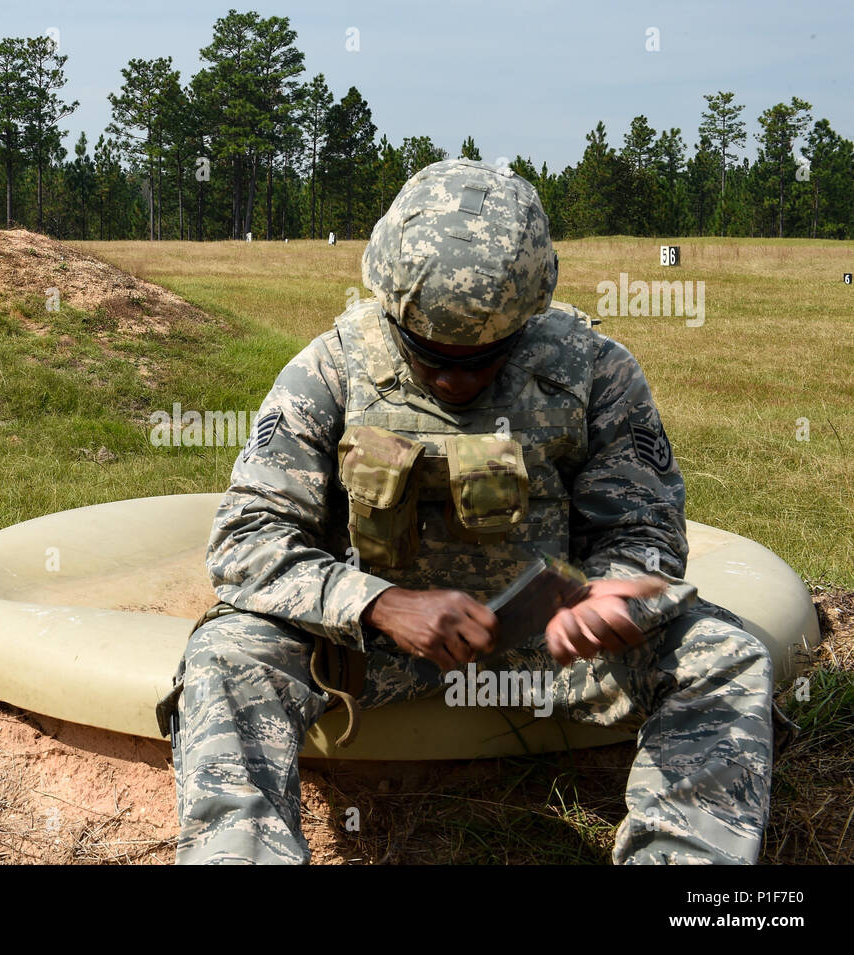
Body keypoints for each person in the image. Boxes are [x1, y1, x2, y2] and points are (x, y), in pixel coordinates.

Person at [162, 158, 778, 865]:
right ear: (393, 311)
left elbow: (643, 527)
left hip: (549, 651)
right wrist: (379, 602)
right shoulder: (330, 371)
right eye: (428, 356)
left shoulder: (592, 372)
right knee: (226, 654)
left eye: (484, 359)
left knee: (722, 656)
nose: (456, 378)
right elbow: (250, 538)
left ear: (528, 318)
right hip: (368, 652)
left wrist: (608, 595)